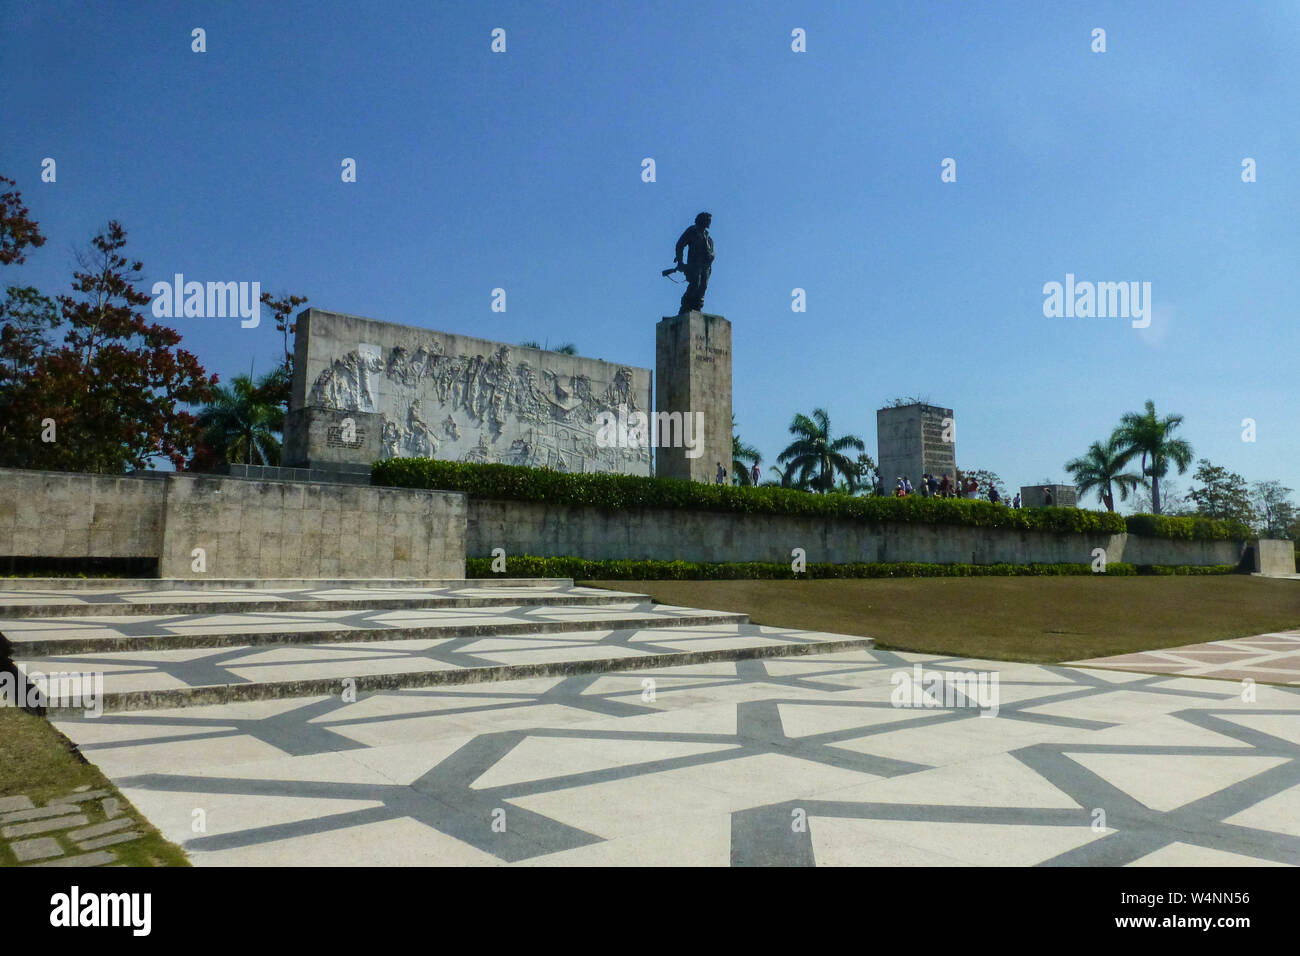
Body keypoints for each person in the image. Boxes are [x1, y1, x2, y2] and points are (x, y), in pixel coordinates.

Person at [673, 212, 715, 314]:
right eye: (708, 220)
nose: (710, 222)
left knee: (703, 287)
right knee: (695, 284)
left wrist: (711, 257)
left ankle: (697, 307)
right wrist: (680, 261)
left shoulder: (708, 238)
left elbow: (712, 253)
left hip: (706, 267)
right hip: (694, 265)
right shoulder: (692, 231)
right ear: (702, 220)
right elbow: (680, 244)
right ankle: (685, 306)